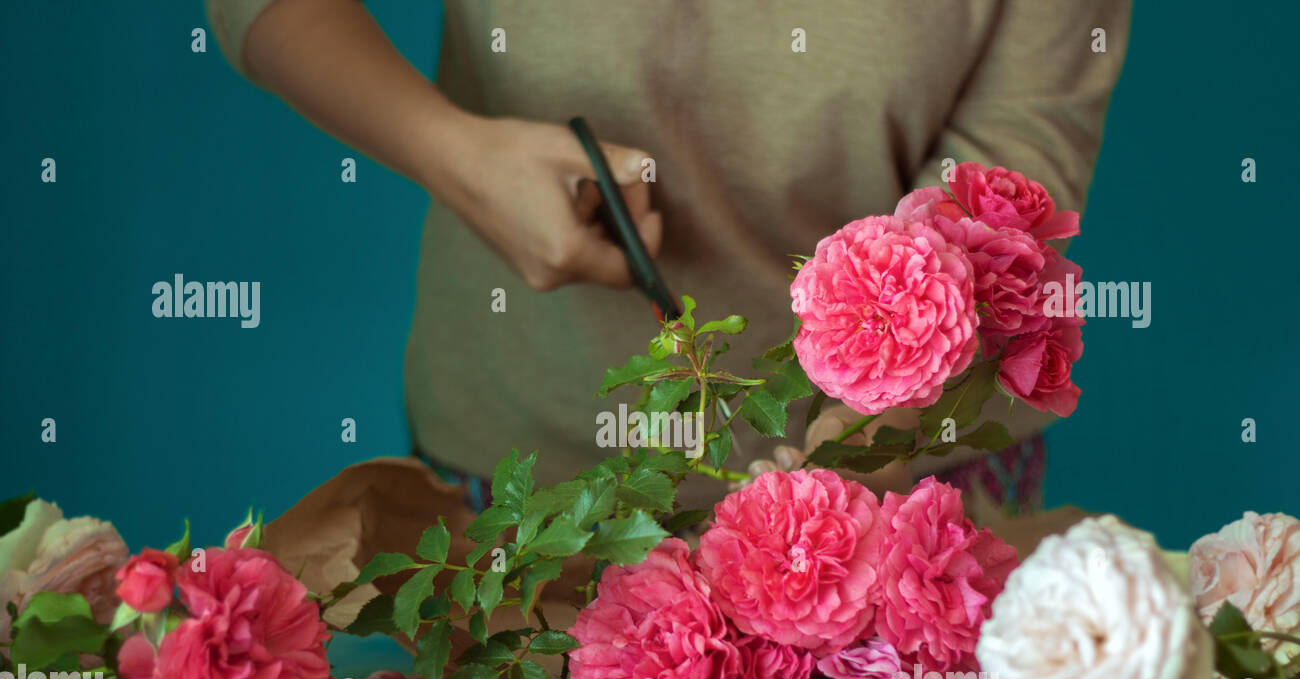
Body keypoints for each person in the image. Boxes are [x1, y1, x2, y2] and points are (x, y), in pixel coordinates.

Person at [205, 0, 1130, 520]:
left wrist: (881, 423)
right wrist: (458, 156)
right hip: (536, 464)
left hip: (916, 472)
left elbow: (1019, 151)